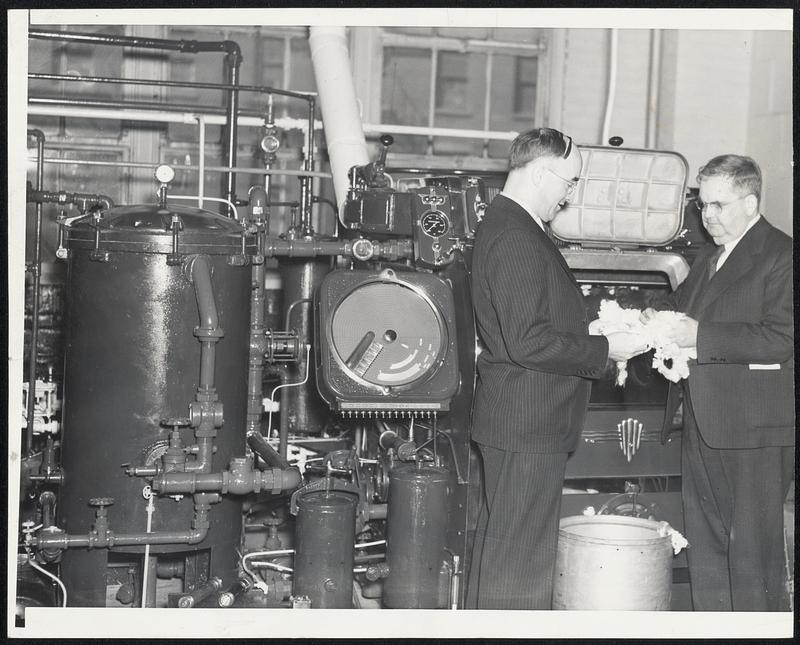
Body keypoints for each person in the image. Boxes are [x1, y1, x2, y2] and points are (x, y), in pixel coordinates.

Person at [466, 127, 646, 609]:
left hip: (520, 418)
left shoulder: (512, 225)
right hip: (528, 420)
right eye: (570, 182)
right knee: (520, 563)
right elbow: (529, 341)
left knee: (503, 551)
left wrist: (593, 330)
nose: (569, 196)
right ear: (542, 173)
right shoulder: (516, 235)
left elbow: (532, 324)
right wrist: (605, 349)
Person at [642, 154, 794, 611]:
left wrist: (700, 336)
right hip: (703, 423)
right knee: (706, 550)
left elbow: (782, 338)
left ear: (750, 203)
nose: (707, 216)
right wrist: (654, 315)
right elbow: (683, 309)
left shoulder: (782, 255)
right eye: (702, 204)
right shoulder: (710, 256)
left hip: (752, 432)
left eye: (718, 205)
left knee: (752, 558)